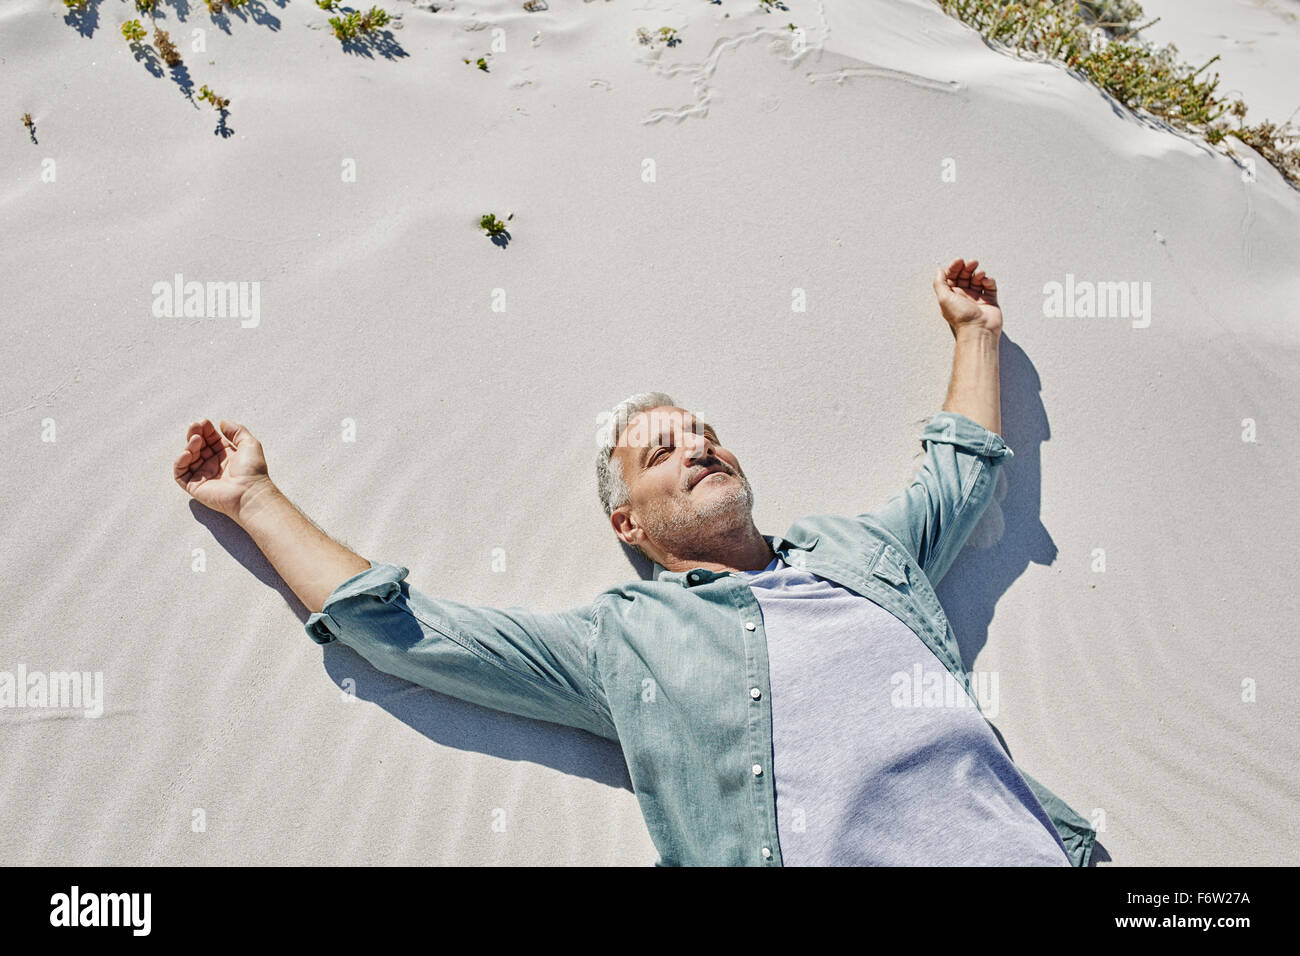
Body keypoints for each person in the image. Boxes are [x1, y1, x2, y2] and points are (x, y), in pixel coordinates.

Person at [173, 257, 1097, 866]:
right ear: (629, 526)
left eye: (704, 436)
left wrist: (975, 330)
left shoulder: (862, 553)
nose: (698, 449)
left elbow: (959, 473)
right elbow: (407, 633)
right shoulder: (630, 643)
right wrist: (254, 499)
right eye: (662, 454)